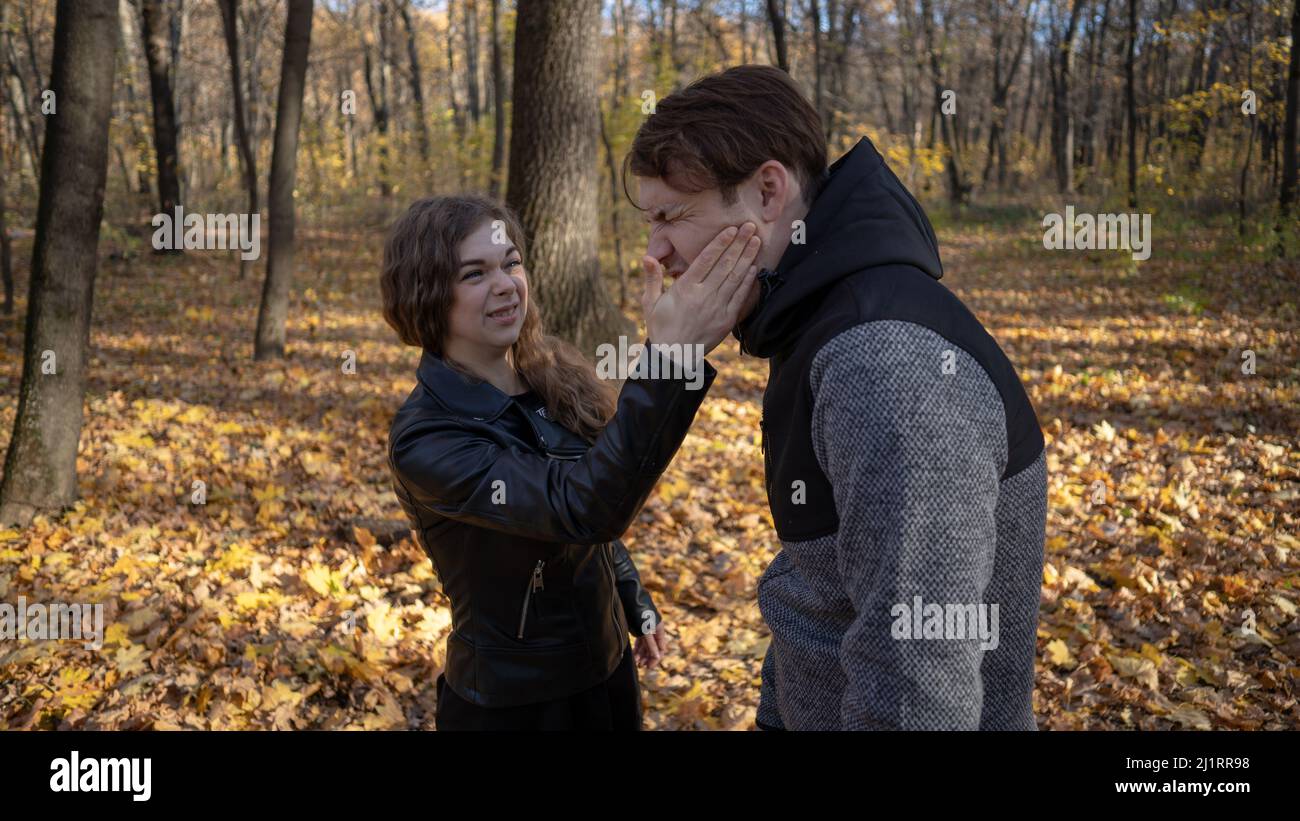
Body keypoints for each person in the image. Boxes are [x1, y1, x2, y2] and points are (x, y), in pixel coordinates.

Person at [626, 65, 1048, 730]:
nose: (656, 251)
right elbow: (819, 590)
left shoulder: (881, 360)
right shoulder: (816, 320)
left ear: (768, 190)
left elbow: (916, 691)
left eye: (672, 215)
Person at [380, 194, 760, 729]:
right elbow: (578, 504)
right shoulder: (427, 437)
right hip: (515, 706)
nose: (506, 284)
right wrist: (671, 358)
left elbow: (595, 490)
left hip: (607, 678)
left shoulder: (550, 373)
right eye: (474, 273)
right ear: (427, 294)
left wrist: (629, 594)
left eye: (512, 263)